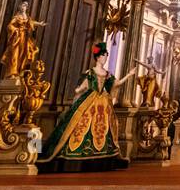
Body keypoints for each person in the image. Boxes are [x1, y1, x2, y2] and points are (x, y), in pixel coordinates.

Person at [38, 42, 128, 172]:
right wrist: (79, 89)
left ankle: (101, 156)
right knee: (80, 125)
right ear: (98, 57)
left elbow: (116, 84)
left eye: (107, 56)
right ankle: (73, 153)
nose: (106, 58)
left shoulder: (108, 74)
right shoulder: (90, 72)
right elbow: (81, 87)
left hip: (103, 104)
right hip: (89, 102)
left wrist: (129, 75)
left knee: (104, 128)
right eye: (104, 55)